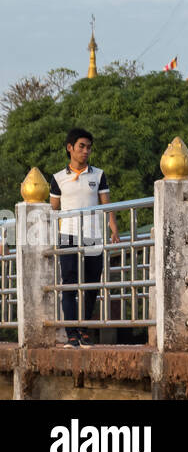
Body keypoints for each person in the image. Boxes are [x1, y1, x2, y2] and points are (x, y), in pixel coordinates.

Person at [50, 128, 119, 348]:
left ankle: (84, 329)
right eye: (82, 146)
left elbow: (107, 204)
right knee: (69, 284)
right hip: (68, 235)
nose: (86, 151)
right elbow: (53, 210)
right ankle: (71, 333)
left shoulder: (98, 175)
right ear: (70, 148)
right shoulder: (58, 178)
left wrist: (113, 227)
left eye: (88, 147)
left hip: (92, 234)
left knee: (91, 283)